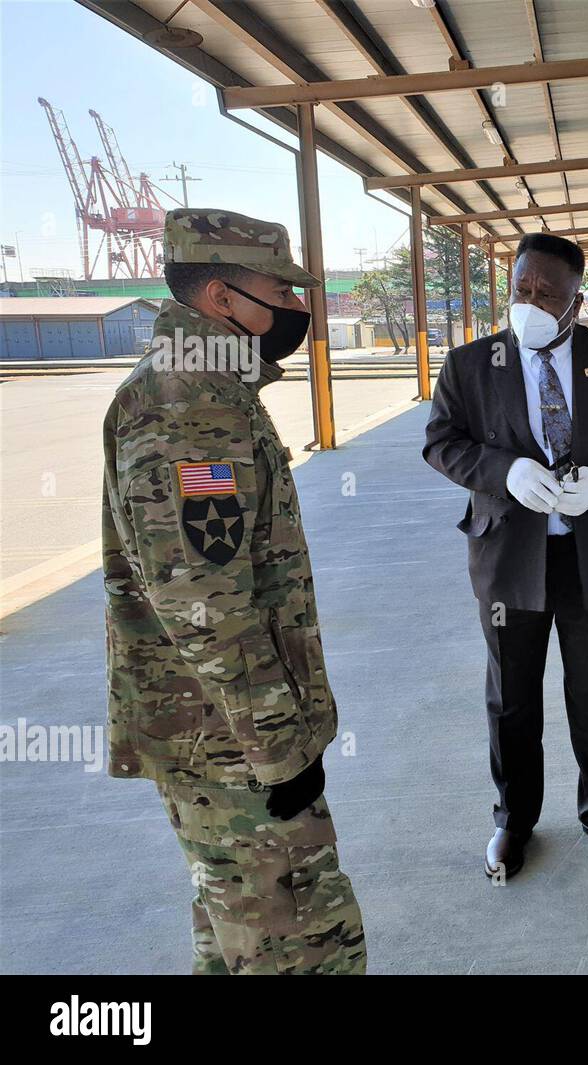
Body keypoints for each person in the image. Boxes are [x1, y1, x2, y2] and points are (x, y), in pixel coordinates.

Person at [101, 209, 366, 974]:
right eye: (278, 289)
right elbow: (206, 607)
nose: (296, 309)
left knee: (239, 932)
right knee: (304, 942)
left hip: (219, 736)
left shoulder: (206, 385)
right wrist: (280, 748)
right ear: (220, 296)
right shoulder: (187, 402)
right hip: (232, 744)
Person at [423, 232, 588, 879]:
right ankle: (513, 819)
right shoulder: (471, 365)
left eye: (547, 293)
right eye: (521, 289)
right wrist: (503, 472)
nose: (530, 302)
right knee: (511, 699)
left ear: (576, 300)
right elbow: (441, 443)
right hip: (509, 561)